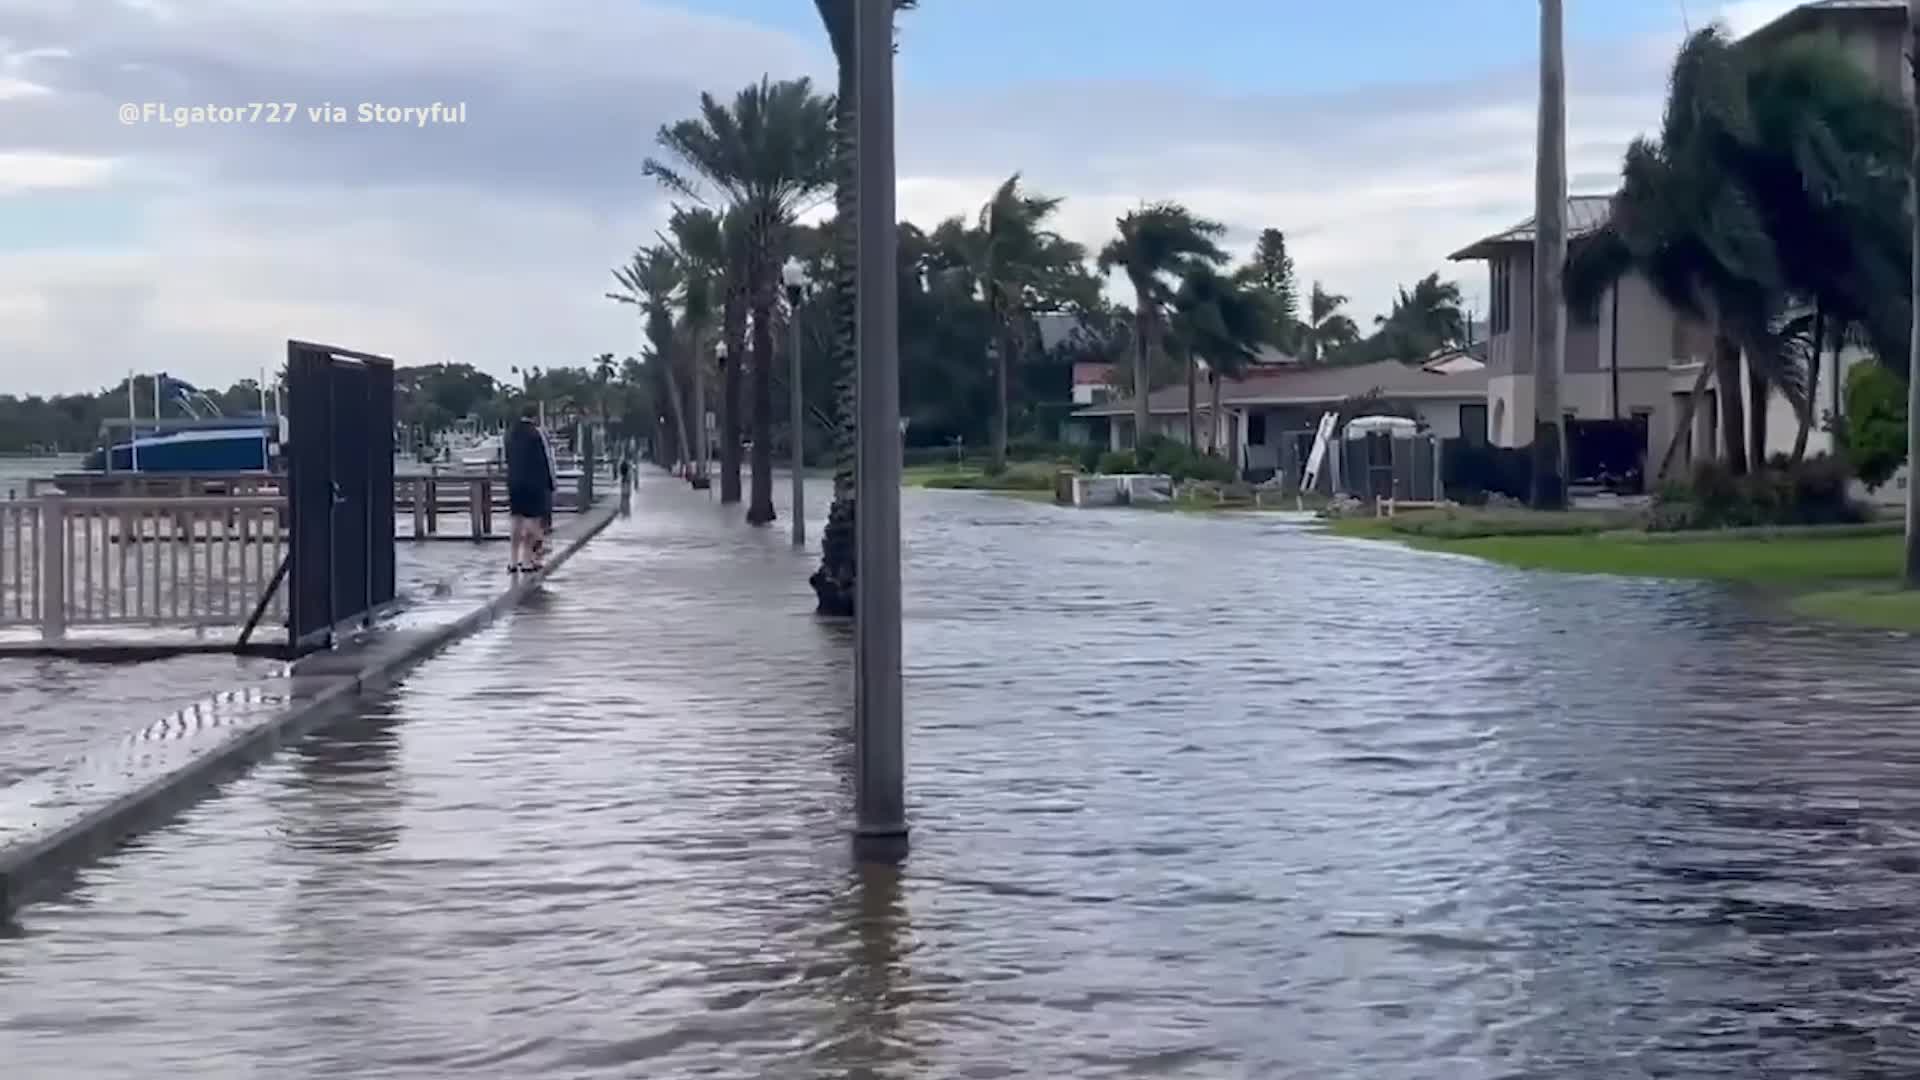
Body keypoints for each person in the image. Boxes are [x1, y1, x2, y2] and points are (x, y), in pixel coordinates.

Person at [505, 404, 556, 572]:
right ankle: (527, 560)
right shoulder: (537, 433)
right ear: (535, 417)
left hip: (514, 481)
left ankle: (513, 560)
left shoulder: (510, 433)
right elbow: (548, 459)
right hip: (534, 483)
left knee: (516, 519)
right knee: (532, 522)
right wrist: (551, 483)